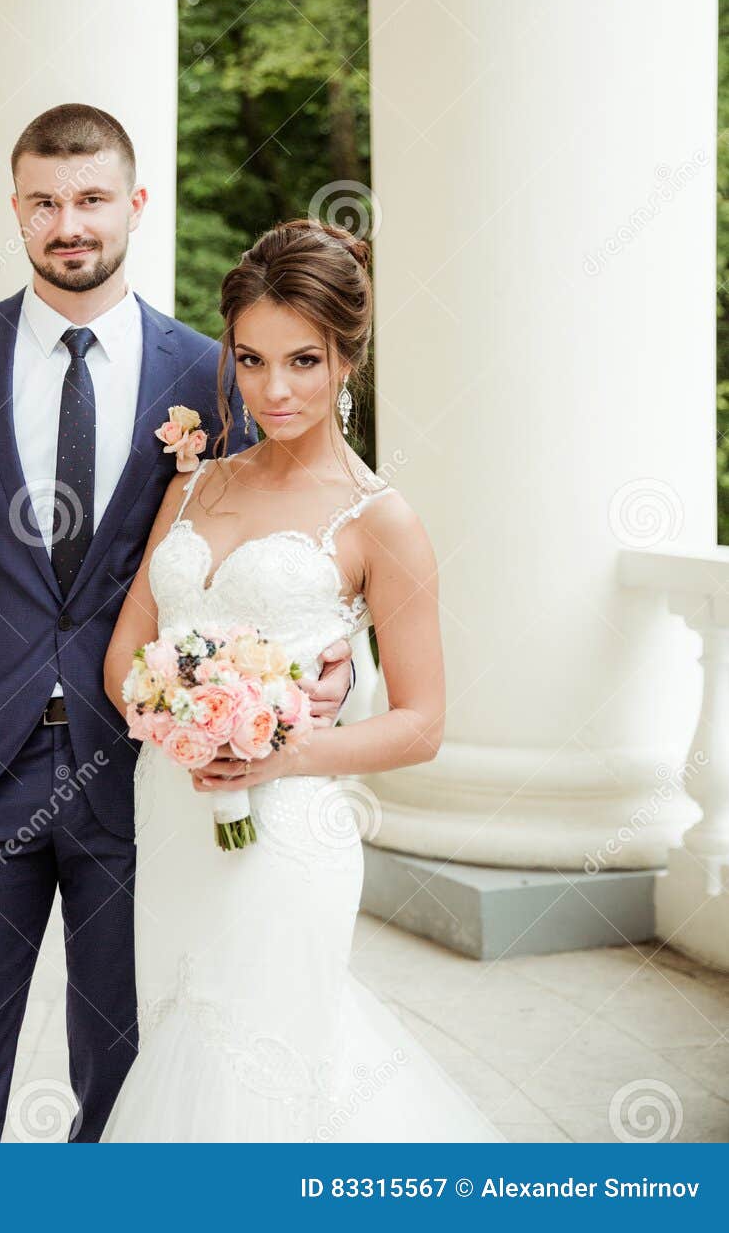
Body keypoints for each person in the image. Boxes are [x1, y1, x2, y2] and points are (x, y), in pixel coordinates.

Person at [0, 104, 355, 1142]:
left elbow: (279, 534)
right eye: (44, 201)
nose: (67, 221)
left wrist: (323, 667)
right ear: (17, 212)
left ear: (134, 205)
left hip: (145, 775)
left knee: (128, 1084)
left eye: (90, 198)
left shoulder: (210, 371)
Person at [101, 218, 507, 1143]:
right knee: (179, 1034)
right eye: (249, 360)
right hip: (169, 815)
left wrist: (272, 753)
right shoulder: (193, 487)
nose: (272, 389)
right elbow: (124, 651)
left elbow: (420, 725)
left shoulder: (381, 521)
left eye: (302, 362)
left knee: (259, 1057)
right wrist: (179, 718)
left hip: (286, 837)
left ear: (345, 363)